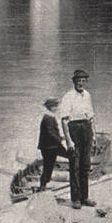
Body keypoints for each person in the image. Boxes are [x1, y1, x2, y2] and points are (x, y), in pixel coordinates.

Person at [58, 69, 97, 209]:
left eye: (83, 81)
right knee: (75, 165)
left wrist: (93, 135)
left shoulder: (87, 95)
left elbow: (91, 117)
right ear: (74, 82)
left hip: (86, 129)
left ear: (86, 82)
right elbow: (64, 121)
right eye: (78, 81)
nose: (81, 83)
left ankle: (84, 197)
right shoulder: (68, 96)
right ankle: (75, 199)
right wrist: (69, 141)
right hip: (74, 129)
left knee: (85, 165)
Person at [37, 98, 70, 192]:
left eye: (56, 106)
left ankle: (43, 185)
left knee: (49, 166)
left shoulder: (49, 116)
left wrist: (61, 138)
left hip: (51, 146)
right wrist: (60, 139)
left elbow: (53, 132)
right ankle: (42, 186)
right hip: (50, 147)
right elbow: (51, 133)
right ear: (50, 107)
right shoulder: (48, 117)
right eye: (55, 106)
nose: (57, 108)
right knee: (49, 166)